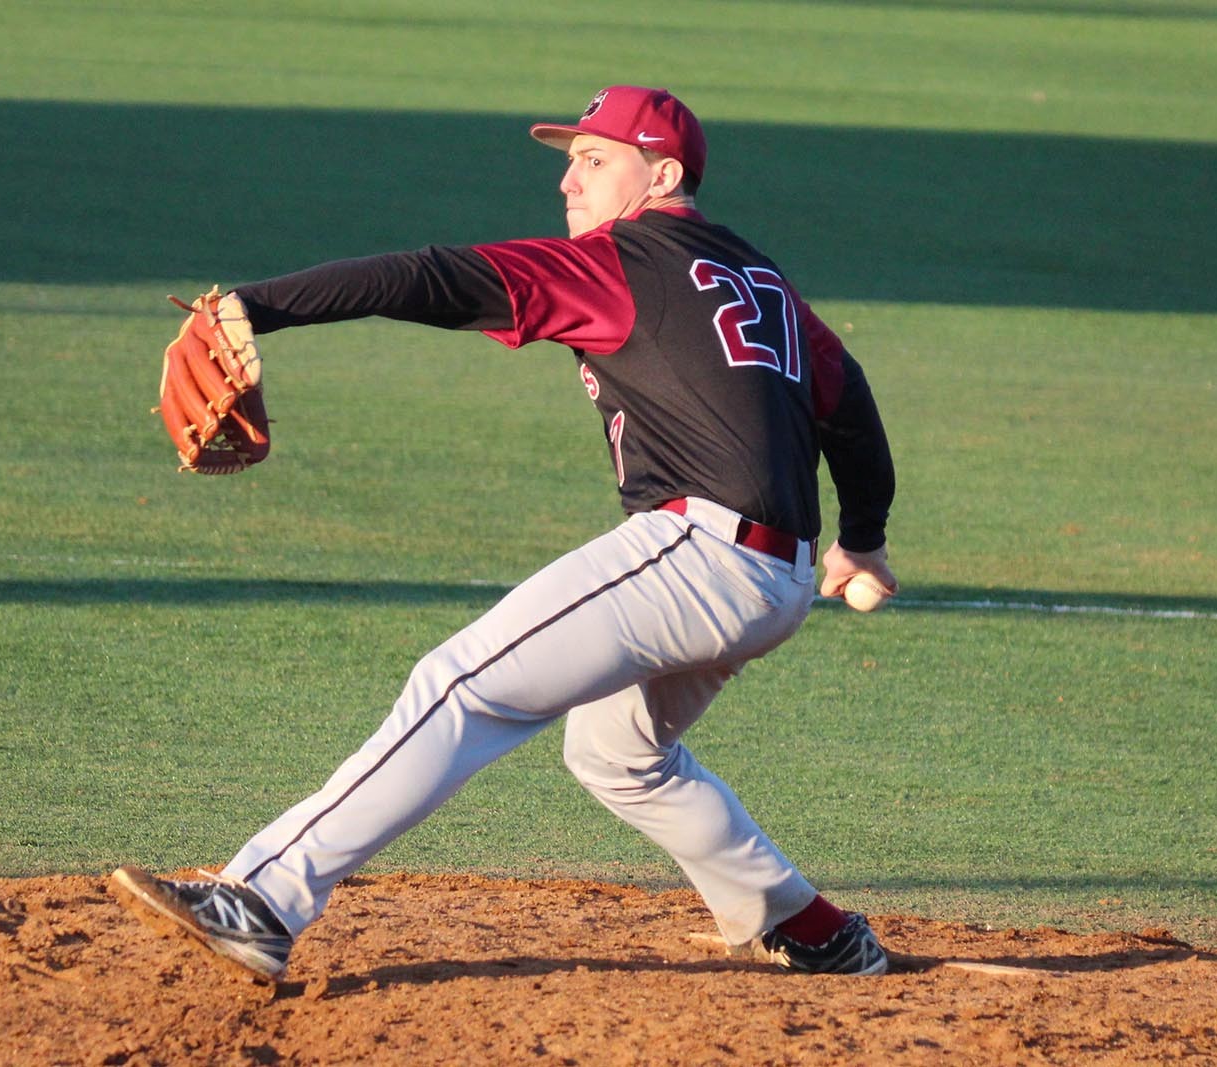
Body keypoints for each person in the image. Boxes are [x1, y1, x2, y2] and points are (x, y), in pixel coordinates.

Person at [112, 85, 898, 980]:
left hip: (701, 554)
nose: (569, 180)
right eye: (570, 159)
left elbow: (429, 277)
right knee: (617, 753)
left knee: (460, 683)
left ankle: (262, 897)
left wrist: (259, 304)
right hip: (777, 578)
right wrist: (863, 537)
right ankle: (813, 927)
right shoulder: (761, 278)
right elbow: (849, 399)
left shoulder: (618, 261)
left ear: (662, 175)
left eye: (595, 159)